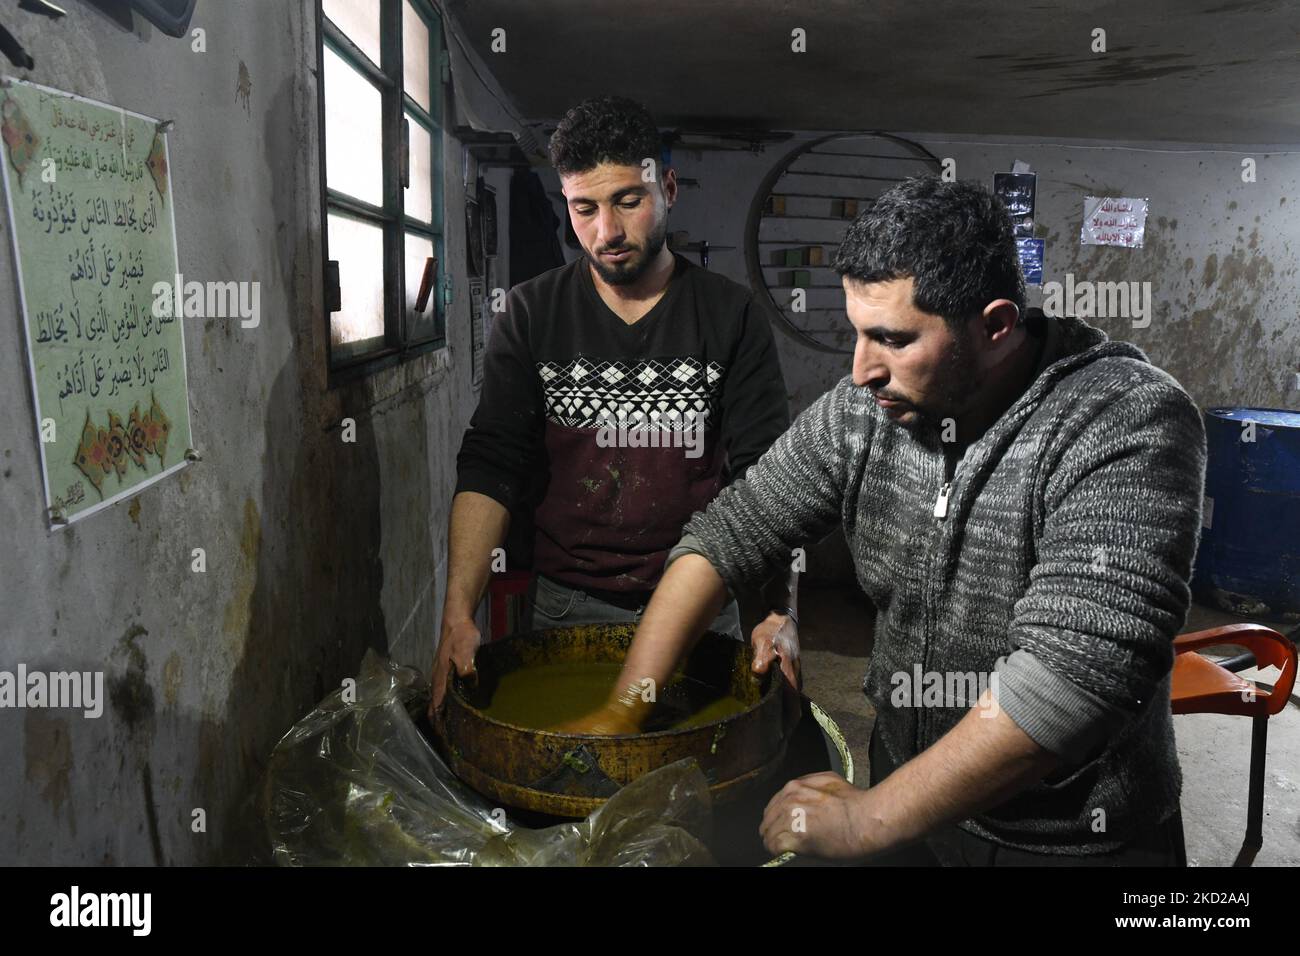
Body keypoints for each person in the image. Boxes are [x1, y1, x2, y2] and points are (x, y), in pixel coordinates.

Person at [565, 176, 1205, 865]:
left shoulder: (1123, 420)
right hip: (912, 800)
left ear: (994, 326)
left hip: (1070, 841)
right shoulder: (862, 413)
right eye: (856, 332)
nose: (861, 368)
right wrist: (624, 708)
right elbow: (728, 535)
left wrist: (869, 820)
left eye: (892, 339)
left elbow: (1073, 679)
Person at [428, 96, 798, 716]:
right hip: (568, 606)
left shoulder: (729, 315)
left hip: (704, 606)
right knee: (570, 780)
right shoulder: (530, 313)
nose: (608, 232)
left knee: (699, 790)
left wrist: (775, 612)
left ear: (668, 187)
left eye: (629, 200)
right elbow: (493, 460)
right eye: (584, 208)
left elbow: (765, 479)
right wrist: (456, 615)